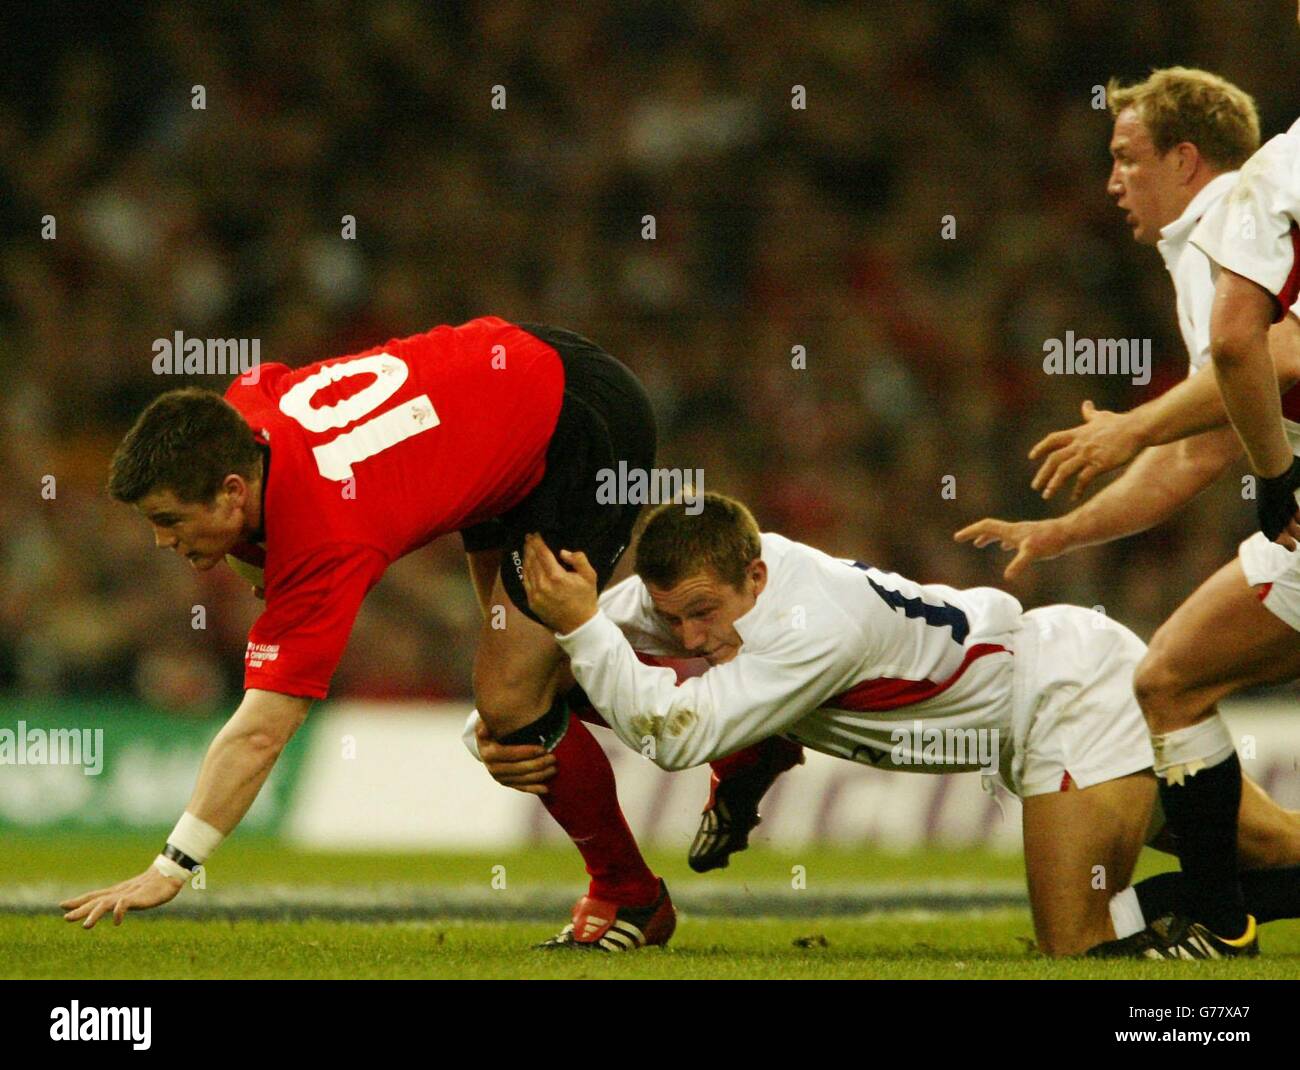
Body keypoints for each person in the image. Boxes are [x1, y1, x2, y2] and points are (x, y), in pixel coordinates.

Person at [59, 317, 675, 948]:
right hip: (509, 381)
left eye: (169, 520)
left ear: (232, 491)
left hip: (577, 429)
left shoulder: (322, 539)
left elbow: (260, 734)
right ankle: (676, 729)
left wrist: (171, 867)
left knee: (514, 702)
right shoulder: (242, 413)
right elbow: (261, 378)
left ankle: (633, 890)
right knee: (522, 696)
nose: (162, 540)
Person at [475, 492, 1300, 957]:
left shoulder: (811, 624)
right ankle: (1204, 901)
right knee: (1279, 853)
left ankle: (1198, 932)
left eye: (702, 616)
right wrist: (495, 728)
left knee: (1077, 948)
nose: (690, 639)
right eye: (673, 619)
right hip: (1051, 693)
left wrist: (582, 630)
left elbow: (679, 734)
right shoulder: (712, 590)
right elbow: (550, 662)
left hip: (1070, 698)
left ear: (755, 575)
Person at [959, 66, 1300, 956]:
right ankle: (1222, 915)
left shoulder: (1242, 213)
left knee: (1172, 681)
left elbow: (1271, 353)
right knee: (1172, 680)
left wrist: (1130, 427)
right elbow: (1201, 447)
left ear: (1186, 159)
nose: (1112, 181)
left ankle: (1221, 919)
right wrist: (1061, 531)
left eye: (1127, 157)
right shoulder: (1212, 238)